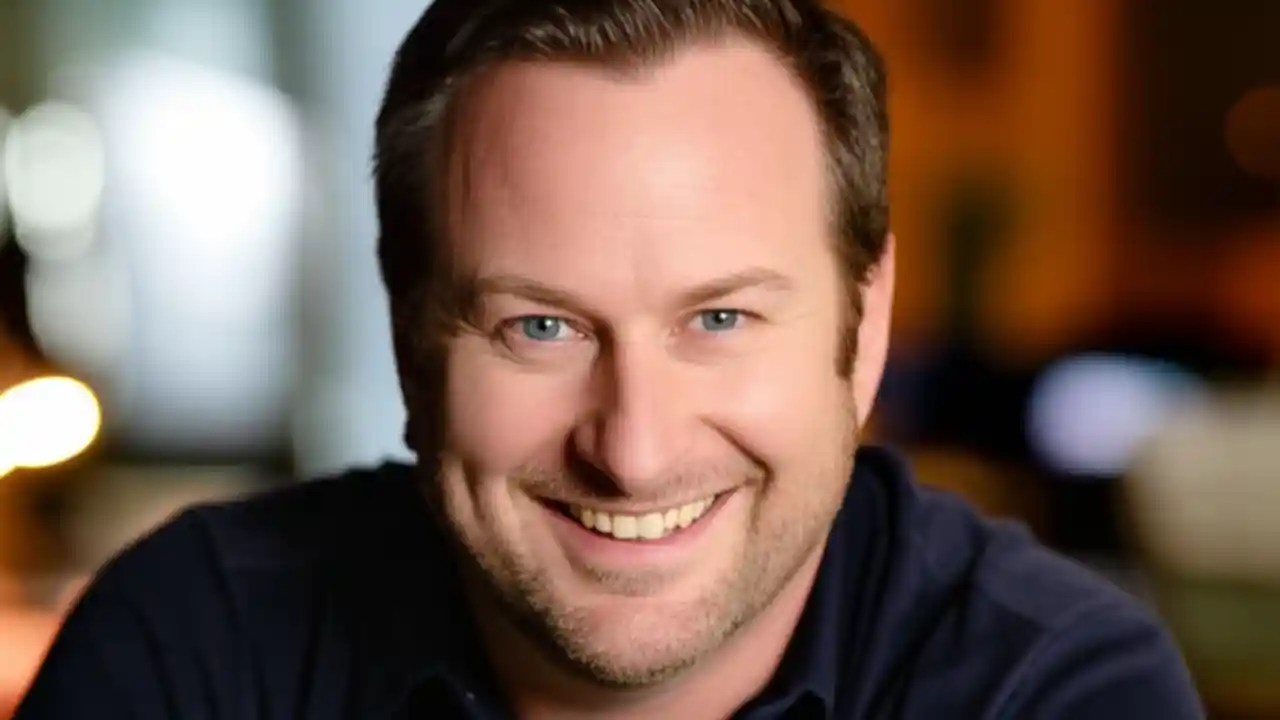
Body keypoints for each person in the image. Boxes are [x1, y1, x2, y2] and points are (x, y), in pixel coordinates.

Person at [17, 1, 1203, 718]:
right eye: (540, 327)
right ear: (407, 331)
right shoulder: (193, 652)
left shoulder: (1050, 696)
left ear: (867, 320)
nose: (632, 451)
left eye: (719, 320)